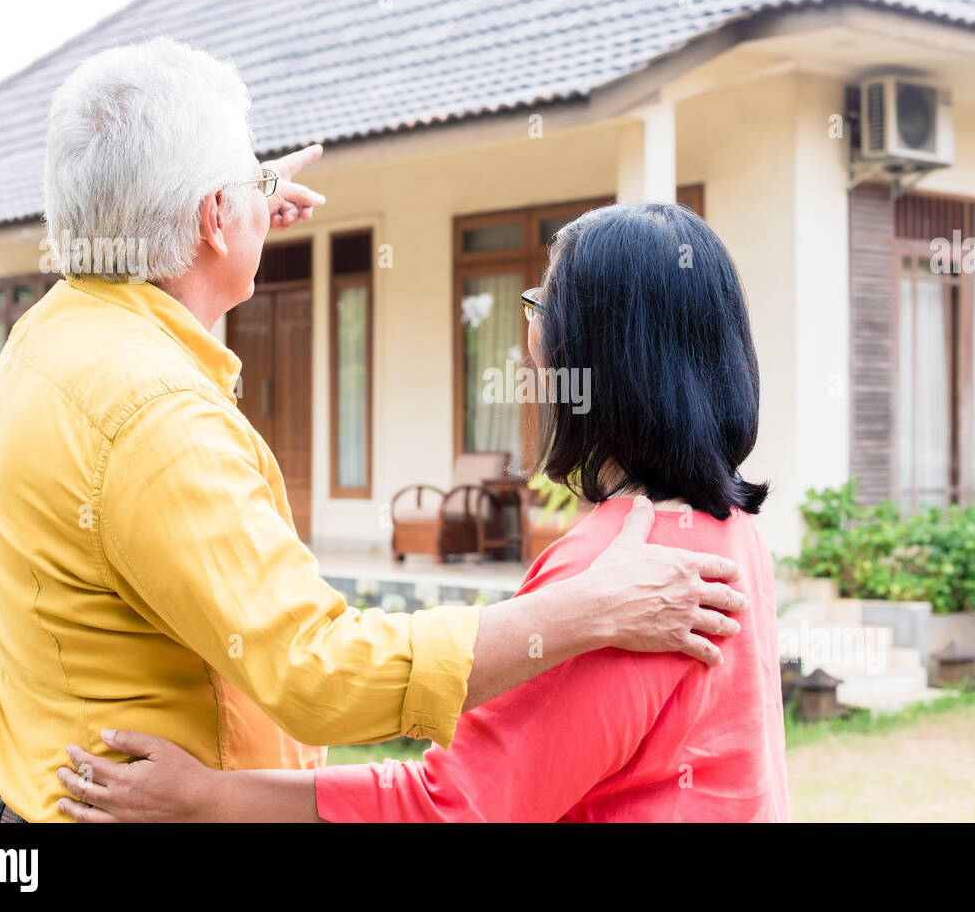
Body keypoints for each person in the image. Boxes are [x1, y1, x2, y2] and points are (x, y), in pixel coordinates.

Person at [0, 38, 746, 824]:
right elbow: (320, 674)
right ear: (214, 217)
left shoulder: (48, 338)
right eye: (249, 183)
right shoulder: (154, 411)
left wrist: (229, 206)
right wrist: (581, 613)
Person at [55, 201, 790, 822]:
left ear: (595, 355)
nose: (528, 337)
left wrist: (207, 797)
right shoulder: (725, 527)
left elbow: (452, 805)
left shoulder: (619, 574)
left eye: (541, 305)